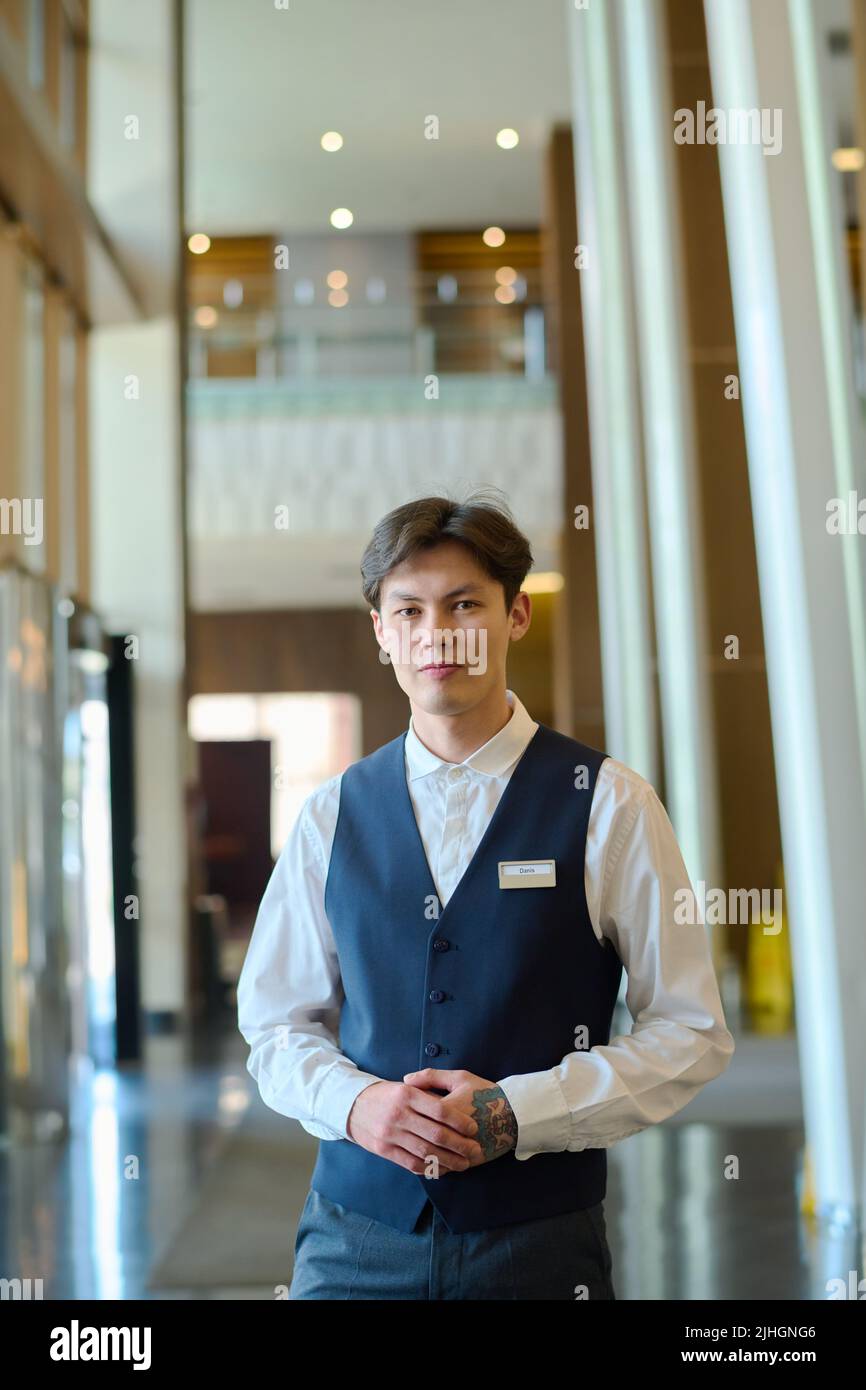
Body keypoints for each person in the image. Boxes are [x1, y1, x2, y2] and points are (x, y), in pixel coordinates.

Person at [237, 491, 735, 1300]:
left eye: (465, 605)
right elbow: (275, 1023)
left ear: (516, 616)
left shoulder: (608, 803)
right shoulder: (331, 815)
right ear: (381, 632)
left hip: (538, 1246)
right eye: (409, 611)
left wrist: (520, 1112)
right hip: (352, 1242)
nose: (437, 634)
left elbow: (691, 1030)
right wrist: (359, 1105)